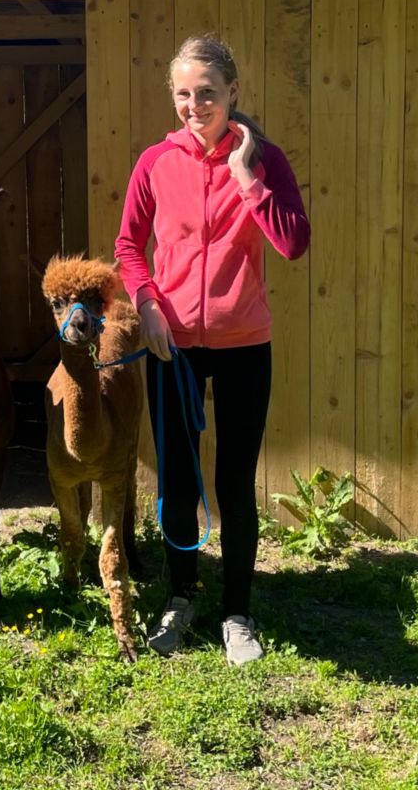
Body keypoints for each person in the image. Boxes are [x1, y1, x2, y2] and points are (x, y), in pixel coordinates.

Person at [114, 34, 310, 666]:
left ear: (233, 95)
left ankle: (237, 612)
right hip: (173, 349)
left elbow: (293, 243)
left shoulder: (264, 159)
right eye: (183, 95)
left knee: (232, 479)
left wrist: (246, 177)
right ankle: (181, 596)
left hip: (244, 344)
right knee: (176, 476)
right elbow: (127, 248)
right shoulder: (154, 163)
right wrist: (147, 304)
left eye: (206, 94)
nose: (194, 106)